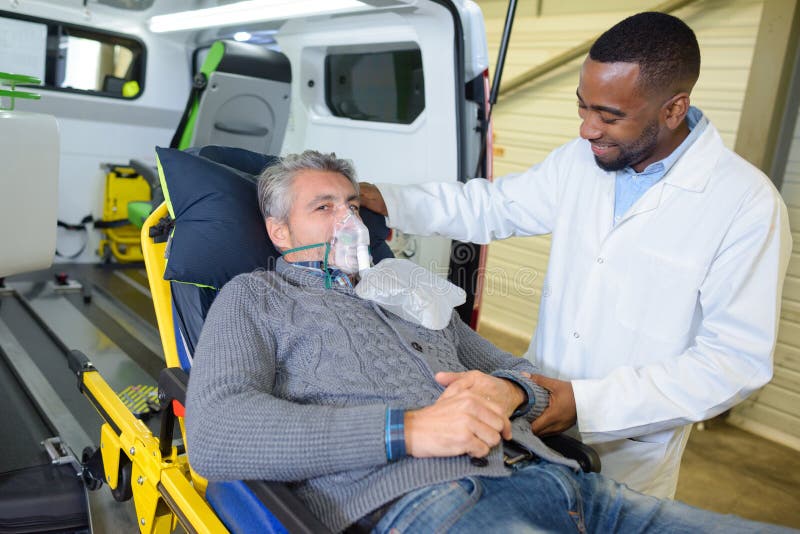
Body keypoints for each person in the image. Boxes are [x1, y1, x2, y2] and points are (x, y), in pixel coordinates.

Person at [184, 150, 793, 533]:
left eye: (350, 205)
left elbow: (517, 371)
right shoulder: (256, 297)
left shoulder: (406, 289)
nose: (347, 221)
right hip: (437, 503)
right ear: (278, 230)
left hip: (561, 483)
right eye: (323, 207)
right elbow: (215, 434)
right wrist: (409, 430)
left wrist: (513, 392)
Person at [359, 11, 792, 498]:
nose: (587, 129)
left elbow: (734, 361)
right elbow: (493, 207)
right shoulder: (579, 161)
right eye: (583, 107)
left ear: (674, 109)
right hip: (533, 406)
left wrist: (587, 403)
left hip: (629, 448)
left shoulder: (744, 205)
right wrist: (390, 199)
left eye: (609, 116)